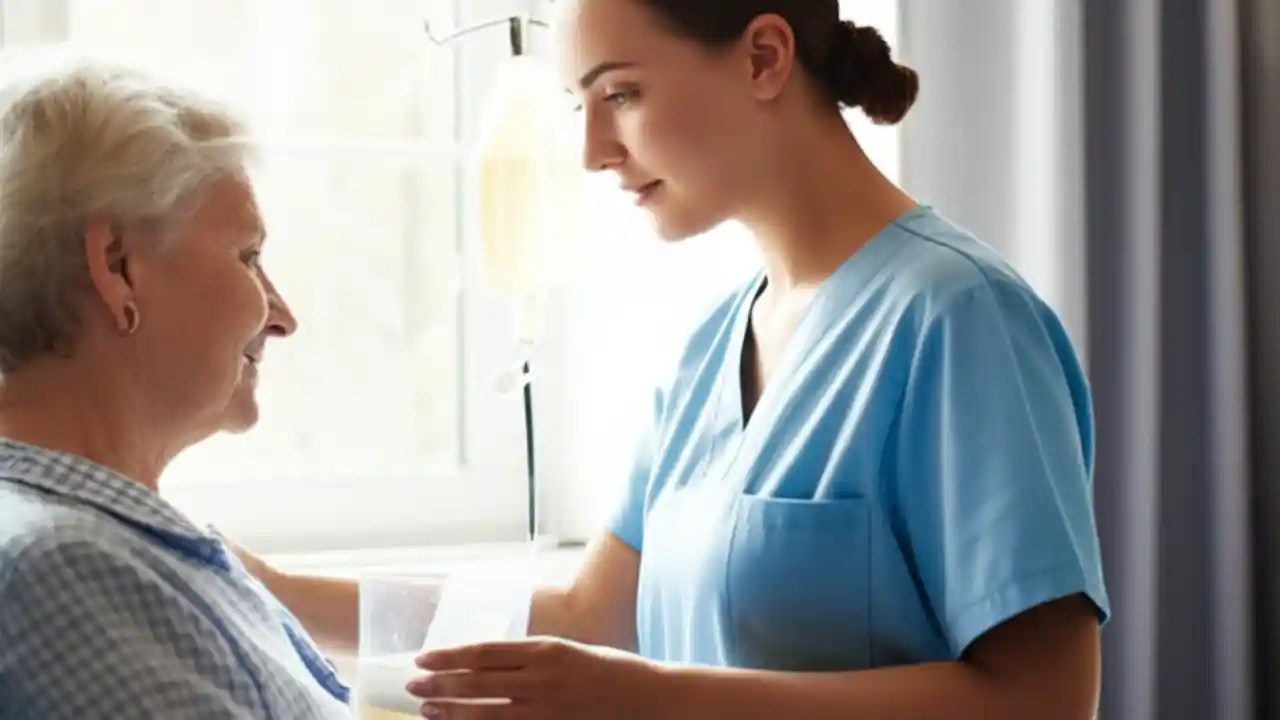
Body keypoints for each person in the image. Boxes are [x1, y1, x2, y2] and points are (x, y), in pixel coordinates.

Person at [238, 0, 1111, 717]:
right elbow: (591, 618)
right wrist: (266, 589)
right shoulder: (710, 348)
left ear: (765, 57)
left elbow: (1043, 700)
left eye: (618, 95)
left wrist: (656, 699)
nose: (591, 152)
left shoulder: (959, 319)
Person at [0, 63, 350, 718]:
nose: (282, 315)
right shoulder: (63, 574)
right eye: (248, 256)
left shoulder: (111, 549)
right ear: (117, 267)